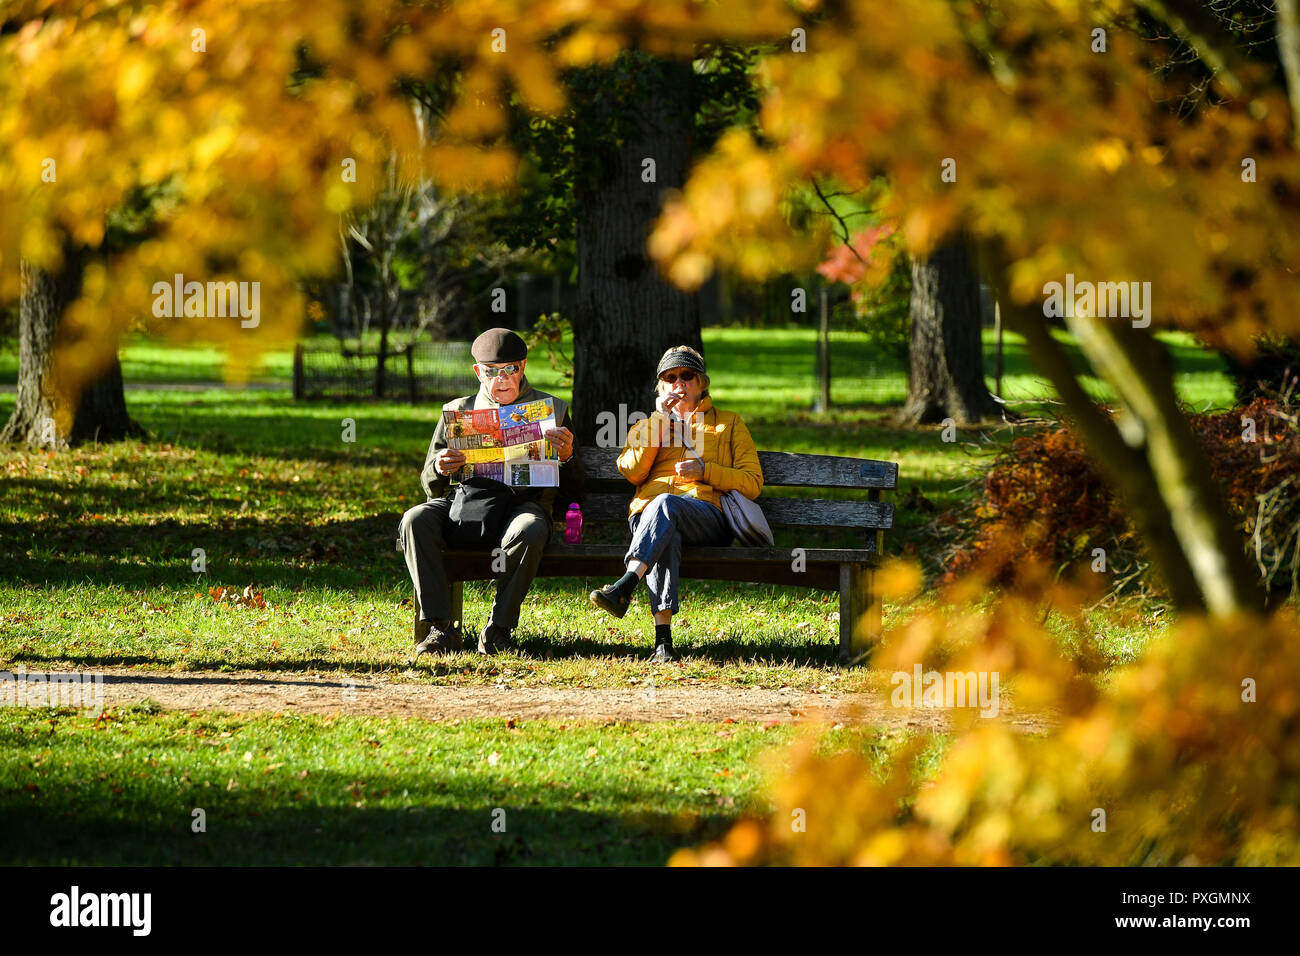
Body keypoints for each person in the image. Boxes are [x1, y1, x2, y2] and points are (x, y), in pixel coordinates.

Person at [398, 328, 580, 657]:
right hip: (467, 503)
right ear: (478, 372)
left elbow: (573, 487)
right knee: (414, 519)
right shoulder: (459, 411)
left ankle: (498, 630)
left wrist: (566, 455)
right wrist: (440, 467)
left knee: (530, 529)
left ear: (523, 367)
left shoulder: (551, 409)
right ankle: (441, 628)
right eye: (493, 372)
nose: (503, 379)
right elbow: (429, 483)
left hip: (522, 505)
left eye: (511, 369)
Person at [588, 345, 763, 661]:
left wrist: (706, 471)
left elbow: (752, 482)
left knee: (665, 504)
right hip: (652, 517)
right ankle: (663, 644)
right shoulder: (647, 425)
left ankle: (627, 583)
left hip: (708, 517)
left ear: (701, 383)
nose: (679, 384)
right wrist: (658, 423)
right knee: (664, 523)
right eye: (670, 378)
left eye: (687, 376)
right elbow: (631, 470)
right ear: (661, 387)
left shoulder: (729, 424)